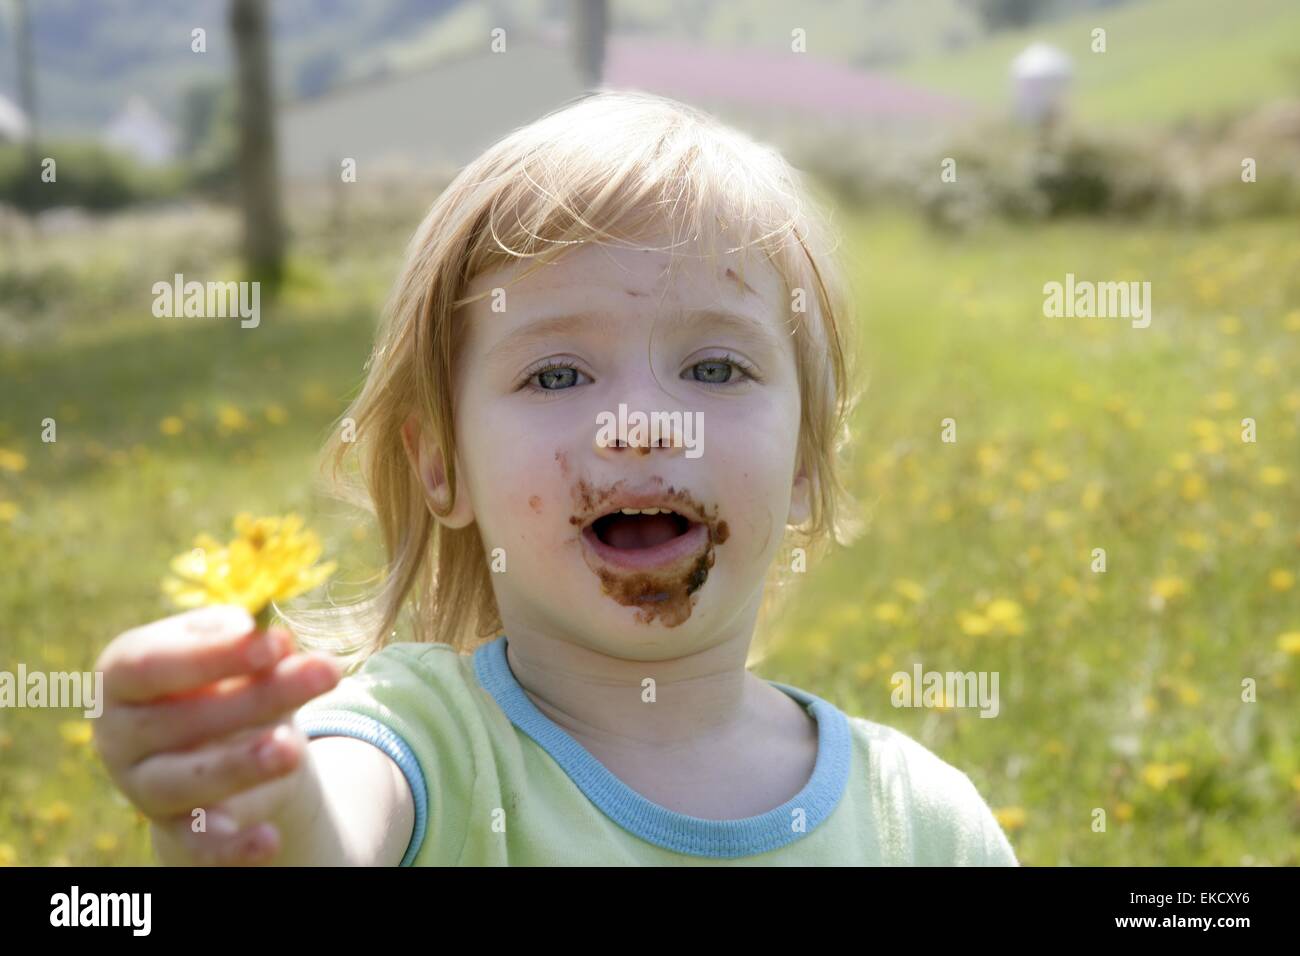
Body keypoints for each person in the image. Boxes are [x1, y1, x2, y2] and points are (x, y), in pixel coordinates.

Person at [93, 90, 1018, 866]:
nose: (642, 424)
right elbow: (326, 831)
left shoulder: (924, 823)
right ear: (442, 466)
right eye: (558, 375)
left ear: (807, 465)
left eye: (715, 369)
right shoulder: (425, 743)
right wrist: (264, 798)